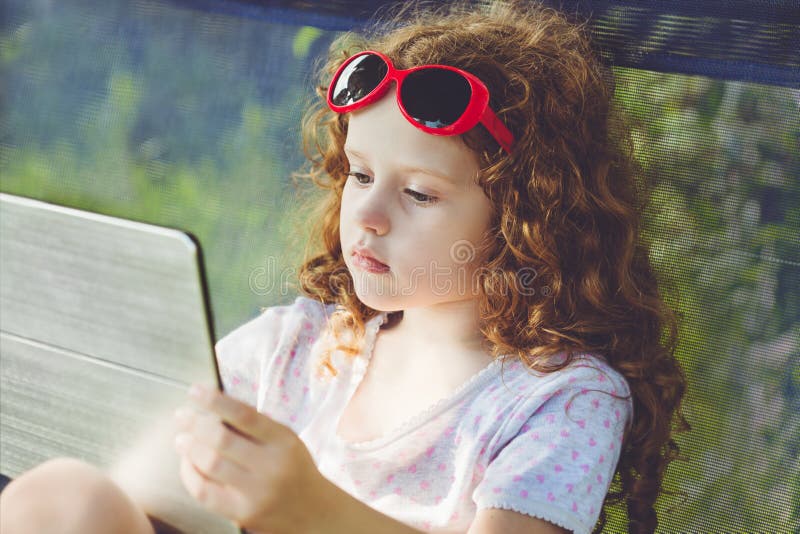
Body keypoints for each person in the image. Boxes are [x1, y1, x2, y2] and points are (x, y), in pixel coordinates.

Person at [0, 1, 687, 533]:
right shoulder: (294, 349)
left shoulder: (560, 401)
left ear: (524, 218)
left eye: (419, 193)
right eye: (360, 175)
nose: (370, 214)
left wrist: (309, 508)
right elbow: (137, 471)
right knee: (67, 495)